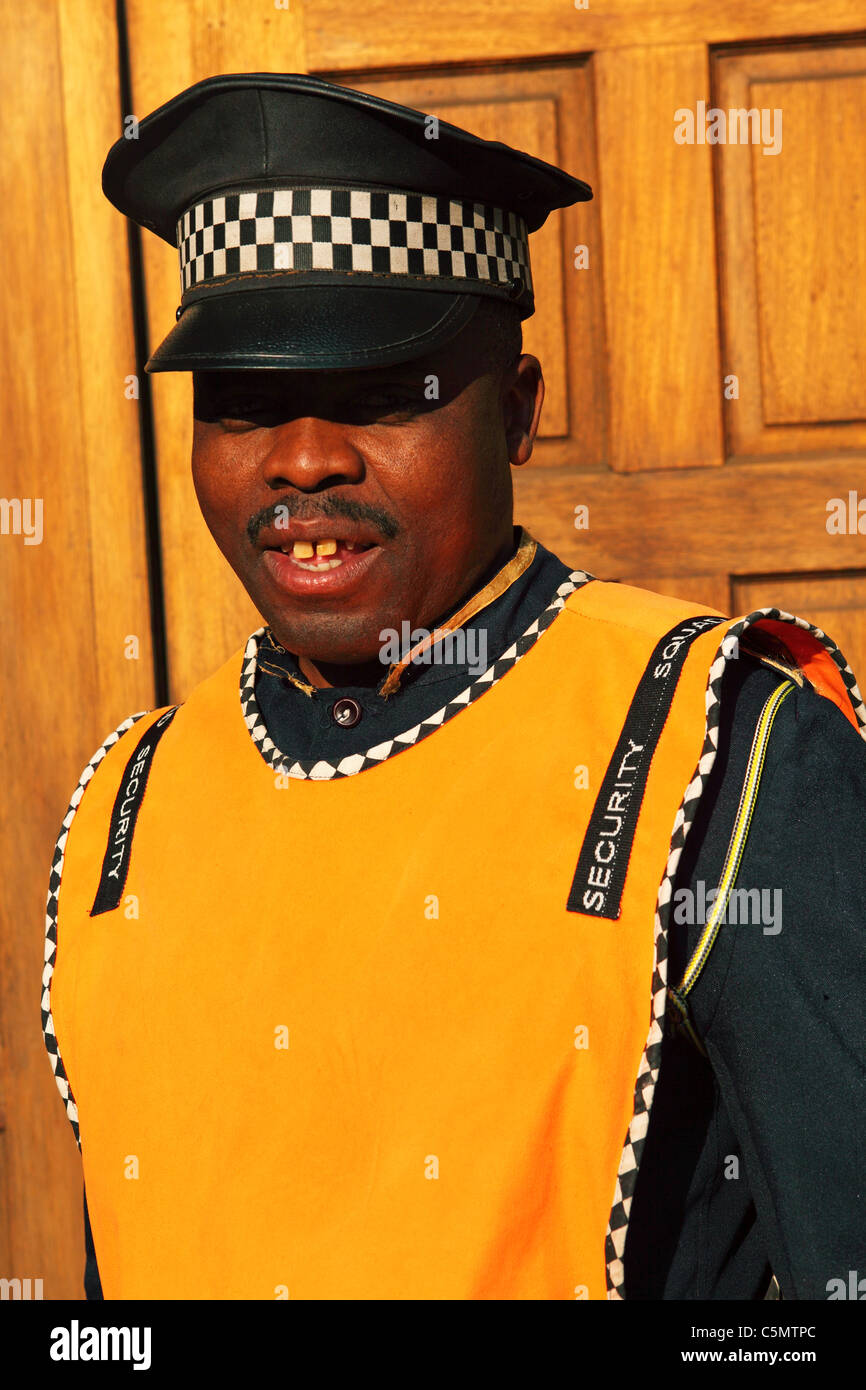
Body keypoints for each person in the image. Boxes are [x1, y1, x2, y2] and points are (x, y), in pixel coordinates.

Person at [42, 72, 866, 1301]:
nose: (304, 457)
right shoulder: (129, 796)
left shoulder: (723, 738)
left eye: (383, 393)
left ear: (518, 412)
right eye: (245, 403)